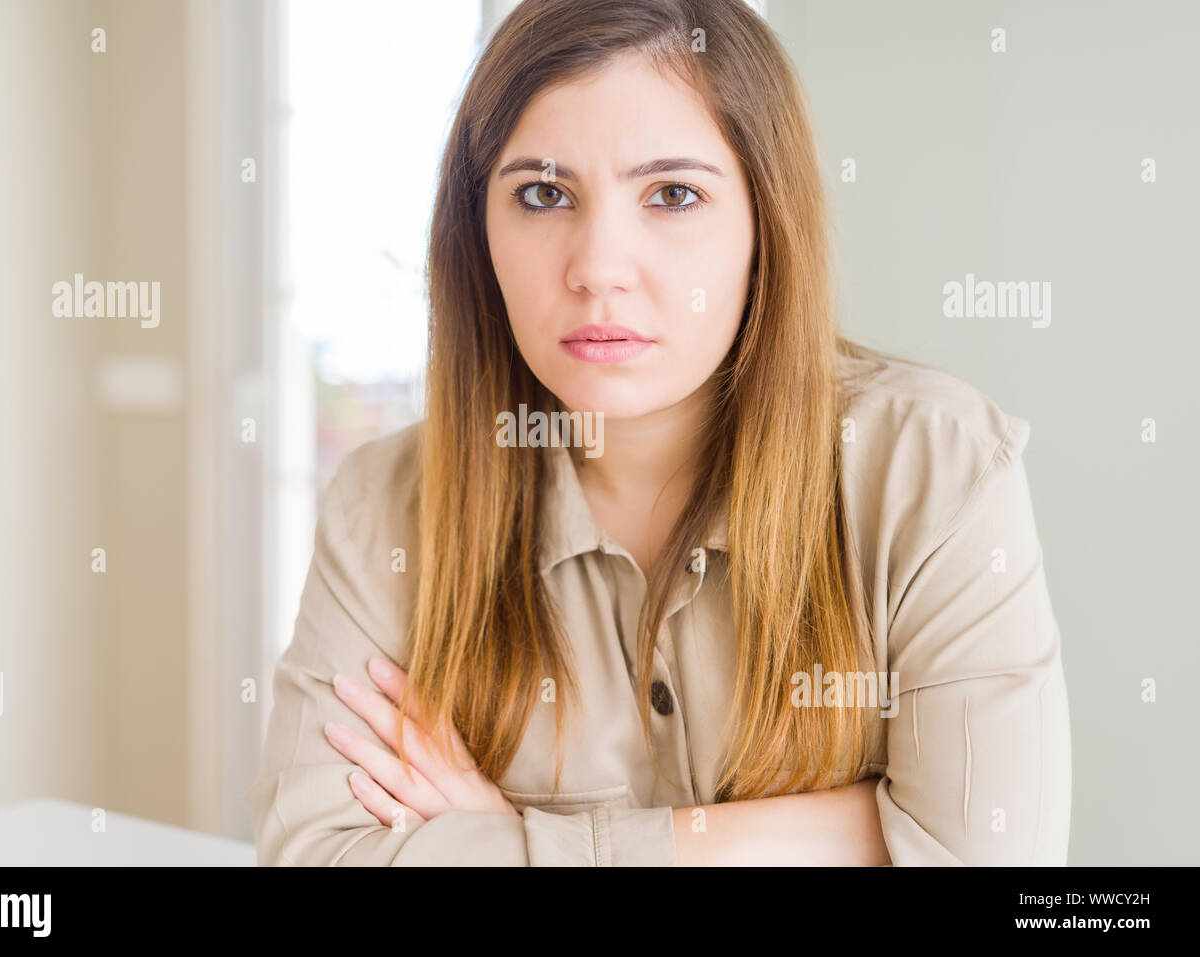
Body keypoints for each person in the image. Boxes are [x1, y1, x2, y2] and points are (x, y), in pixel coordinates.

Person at [245, 0, 1071, 866]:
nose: (598, 268)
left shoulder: (936, 469)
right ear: (477, 230)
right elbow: (317, 853)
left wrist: (519, 843)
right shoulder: (384, 505)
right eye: (543, 194)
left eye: (673, 195)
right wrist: (851, 832)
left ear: (766, 221)